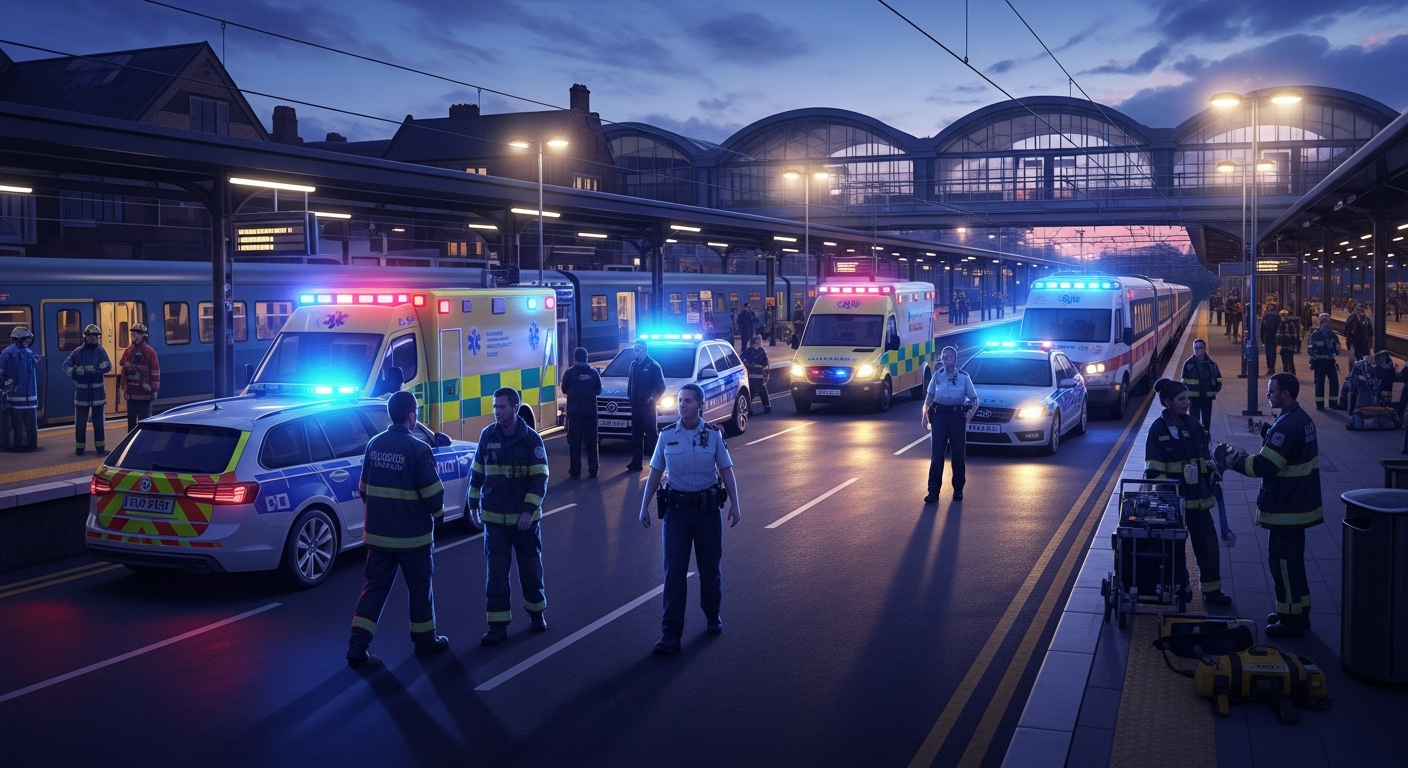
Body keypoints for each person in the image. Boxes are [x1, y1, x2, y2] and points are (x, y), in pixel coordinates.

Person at [346, 391, 449, 665]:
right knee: (419, 590)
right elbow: (432, 496)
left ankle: (357, 645)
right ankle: (425, 641)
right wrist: (439, 515)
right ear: (412, 416)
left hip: (378, 538)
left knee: (374, 590)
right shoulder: (419, 450)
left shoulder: (373, 445)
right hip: (412, 539)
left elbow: (364, 489)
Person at [638, 383, 741, 654]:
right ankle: (671, 633)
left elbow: (726, 471)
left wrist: (735, 504)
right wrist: (644, 506)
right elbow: (656, 472)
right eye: (680, 400)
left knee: (709, 569)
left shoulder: (713, 436)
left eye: (688, 401)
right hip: (677, 513)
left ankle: (711, 614)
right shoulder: (667, 435)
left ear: (700, 405)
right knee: (674, 573)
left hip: (707, 512)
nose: (682, 404)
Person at [1215, 373, 1322, 637]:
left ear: (1285, 394)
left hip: (1287, 506)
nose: (1267, 395)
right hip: (1300, 504)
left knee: (1282, 563)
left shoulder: (1286, 426)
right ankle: (1299, 611)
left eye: (1272, 391)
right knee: (1295, 562)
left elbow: (1264, 465)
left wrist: (1232, 460)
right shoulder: (1301, 418)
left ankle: (1290, 621)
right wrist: (1267, 432)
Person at [469, 387, 550, 645]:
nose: (496, 412)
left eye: (501, 407)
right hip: (494, 522)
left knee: (530, 570)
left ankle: (536, 615)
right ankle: (497, 626)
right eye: (494, 407)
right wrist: (472, 504)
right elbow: (477, 472)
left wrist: (528, 512)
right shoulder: (487, 435)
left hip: (524, 522)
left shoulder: (531, 440)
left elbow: (540, 479)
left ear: (515, 408)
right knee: (496, 575)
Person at [1146, 379, 1231, 606]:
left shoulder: (1194, 424)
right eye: (1181, 399)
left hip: (1200, 503)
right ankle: (1179, 589)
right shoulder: (1157, 430)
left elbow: (1206, 459)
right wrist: (1173, 491)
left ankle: (1212, 591)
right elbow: (1153, 472)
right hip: (1174, 505)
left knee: (1208, 547)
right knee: (1174, 549)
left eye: (1187, 398)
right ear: (1168, 402)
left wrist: (1214, 473)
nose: (1186, 403)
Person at [921, 345, 978, 503]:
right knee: (937, 455)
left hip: (956, 417)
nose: (945, 359)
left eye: (949, 356)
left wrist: (968, 417)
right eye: (943, 356)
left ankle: (958, 489)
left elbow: (975, 400)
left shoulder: (963, 377)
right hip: (939, 417)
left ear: (955, 359)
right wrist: (924, 413)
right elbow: (929, 397)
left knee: (958, 454)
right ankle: (933, 491)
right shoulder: (937, 376)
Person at [63, 324, 112, 455]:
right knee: (80, 423)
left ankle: (100, 447)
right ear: (86, 337)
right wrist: (74, 371)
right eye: (91, 336)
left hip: (98, 395)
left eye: (96, 336)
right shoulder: (78, 352)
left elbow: (108, 366)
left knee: (99, 423)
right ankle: (80, 447)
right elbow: (66, 364)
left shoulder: (101, 351)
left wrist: (102, 367)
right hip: (82, 396)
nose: (94, 339)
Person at [625, 338, 666, 473]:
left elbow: (661, 386)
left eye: (638, 349)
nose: (636, 352)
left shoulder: (653, 365)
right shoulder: (633, 364)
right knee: (636, 434)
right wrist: (629, 397)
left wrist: (652, 399)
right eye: (634, 349)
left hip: (647, 406)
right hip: (635, 404)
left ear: (644, 350)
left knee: (651, 434)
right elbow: (631, 382)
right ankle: (636, 462)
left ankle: (656, 463)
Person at [560, 347, 601, 478]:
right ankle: (593, 470)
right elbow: (598, 390)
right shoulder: (593, 373)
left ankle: (575, 470)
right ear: (586, 358)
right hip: (590, 413)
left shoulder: (569, 373)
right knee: (591, 442)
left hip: (574, 413)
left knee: (575, 443)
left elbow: (564, 389)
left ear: (575, 358)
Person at [0, 326, 43, 451]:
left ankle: (26, 443)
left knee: (25, 420)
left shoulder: (28, 352)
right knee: (16, 420)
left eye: (28, 340)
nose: (27, 342)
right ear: (17, 339)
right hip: (15, 393)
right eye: (25, 339)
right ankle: (17, 444)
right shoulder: (9, 352)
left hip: (28, 394)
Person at [119, 322, 160, 432]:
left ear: (143, 336)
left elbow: (155, 372)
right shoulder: (128, 351)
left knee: (144, 422)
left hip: (144, 395)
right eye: (133, 334)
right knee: (131, 424)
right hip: (131, 395)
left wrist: (154, 389)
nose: (134, 337)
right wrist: (124, 388)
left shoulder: (150, 352)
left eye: (136, 334)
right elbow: (123, 372)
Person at [1180, 338, 1222, 433]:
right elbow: (1183, 382)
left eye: (1200, 347)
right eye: (1195, 348)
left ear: (1205, 349)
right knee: (1194, 420)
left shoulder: (1211, 364)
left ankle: (1206, 436)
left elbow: (1218, 379)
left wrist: (1213, 391)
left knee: (1206, 419)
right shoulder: (1188, 364)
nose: (1198, 350)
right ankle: (1195, 436)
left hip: (1207, 397)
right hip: (1193, 398)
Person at [1307, 313, 1341, 410]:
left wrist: (1336, 352)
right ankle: (1320, 404)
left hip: (1330, 362)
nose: (1326, 324)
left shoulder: (1332, 334)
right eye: (1324, 322)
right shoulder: (1315, 335)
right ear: (1321, 323)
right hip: (1319, 362)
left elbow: (1337, 346)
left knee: (1334, 382)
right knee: (1319, 383)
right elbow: (1310, 348)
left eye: (1328, 322)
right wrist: (1313, 356)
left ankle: (1333, 403)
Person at [742, 334, 771, 414]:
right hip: (758, 376)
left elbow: (743, 360)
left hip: (751, 376)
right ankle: (767, 407)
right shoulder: (762, 352)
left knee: (751, 393)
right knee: (762, 392)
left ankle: (748, 409)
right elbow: (766, 363)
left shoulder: (747, 351)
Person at [1276, 309, 1301, 374]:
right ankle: (1285, 371)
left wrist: (1295, 346)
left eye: (1285, 316)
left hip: (1289, 345)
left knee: (1290, 359)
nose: (1284, 317)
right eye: (1282, 316)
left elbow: (1294, 336)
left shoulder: (1291, 324)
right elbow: (1277, 336)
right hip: (1282, 345)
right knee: (1284, 360)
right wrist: (1278, 348)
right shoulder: (1279, 324)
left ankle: (1292, 372)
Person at [1260, 301, 1281, 376]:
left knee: (1271, 352)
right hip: (1269, 336)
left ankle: (1271, 367)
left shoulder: (1273, 317)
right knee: (1269, 353)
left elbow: (1262, 329)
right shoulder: (1267, 317)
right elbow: (1262, 329)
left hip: (1272, 336)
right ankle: (1270, 367)